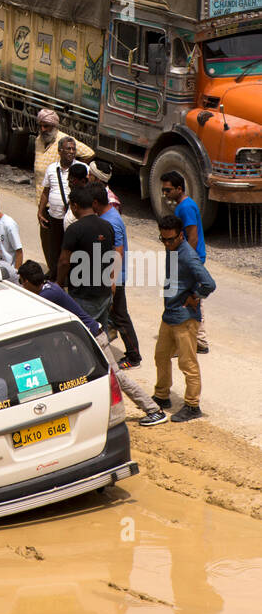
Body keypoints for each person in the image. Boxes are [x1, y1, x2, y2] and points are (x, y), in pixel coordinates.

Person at [18, 260, 167, 426]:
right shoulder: (49, 287)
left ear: (26, 281)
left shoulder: (47, 295)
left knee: (117, 377)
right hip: (87, 339)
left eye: (20, 281)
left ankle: (154, 410)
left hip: (94, 339)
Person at [154, 215, 216, 421]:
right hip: (170, 314)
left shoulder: (188, 255)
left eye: (170, 239)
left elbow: (209, 283)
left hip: (185, 318)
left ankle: (192, 405)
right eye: (163, 239)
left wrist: (195, 296)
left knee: (187, 364)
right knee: (161, 357)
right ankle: (162, 396)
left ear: (181, 236)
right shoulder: (171, 249)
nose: (167, 243)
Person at [91, 183, 141, 369]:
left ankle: (134, 356)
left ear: (96, 203)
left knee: (120, 316)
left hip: (114, 277)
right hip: (111, 276)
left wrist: (112, 280)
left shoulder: (111, 221)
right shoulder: (109, 215)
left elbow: (117, 252)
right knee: (114, 314)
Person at [160, 170, 209, 352]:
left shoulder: (185, 207)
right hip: (189, 258)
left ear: (179, 188)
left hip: (191, 259)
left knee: (192, 297)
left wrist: (188, 261)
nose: (165, 194)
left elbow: (193, 236)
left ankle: (200, 341)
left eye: (168, 190)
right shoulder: (184, 205)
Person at [56, 184, 115, 331]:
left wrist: (59, 283)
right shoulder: (107, 226)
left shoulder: (74, 229)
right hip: (104, 293)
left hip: (83, 296)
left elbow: (64, 261)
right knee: (101, 333)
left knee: (82, 335)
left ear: (75, 206)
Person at [37, 135, 82, 276]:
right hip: (55, 217)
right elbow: (46, 191)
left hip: (72, 219)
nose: (71, 151)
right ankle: (54, 274)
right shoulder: (51, 169)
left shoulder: (81, 169)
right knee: (54, 248)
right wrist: (40, 211)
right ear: (60, 150)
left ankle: (68, 278)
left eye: (74, 149)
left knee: (70, 250)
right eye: (68, 148)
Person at [33, 108, 93, 204]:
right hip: (41, 195)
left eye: (46, 126)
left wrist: (74, 169)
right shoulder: (38, 140)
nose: (42, 129)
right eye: (40, 126)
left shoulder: (64, 140)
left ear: (54, 126)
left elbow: (89, 153)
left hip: (59, 196)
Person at [62, 162, 92, 229]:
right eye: (68, 180)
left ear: (83, 181)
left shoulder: (88, 198)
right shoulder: (74, 191)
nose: (69, 184)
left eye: (72, 181)